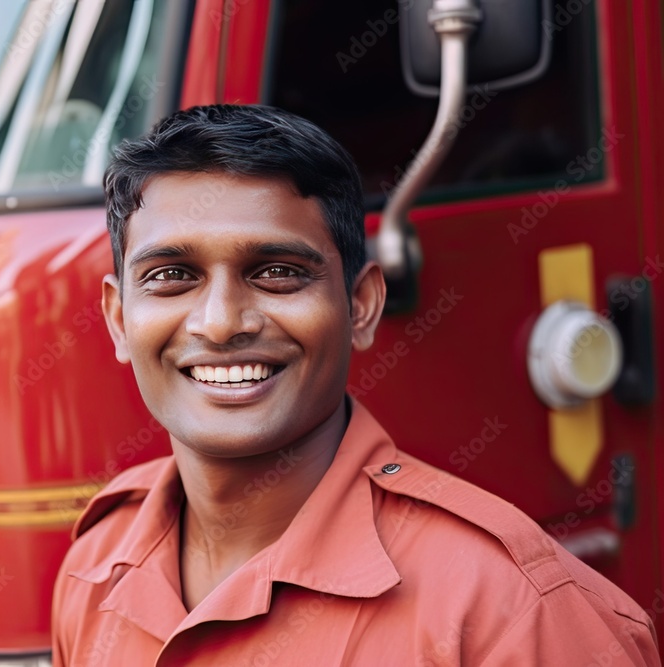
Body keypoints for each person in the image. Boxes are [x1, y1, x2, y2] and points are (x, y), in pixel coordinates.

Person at [51, 104, 660, 666]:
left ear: (362, 306)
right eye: (171, 276)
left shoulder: (514, 614)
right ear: (118, 320)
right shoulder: (95, 566)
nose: (221, 322)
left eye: (278, 273)